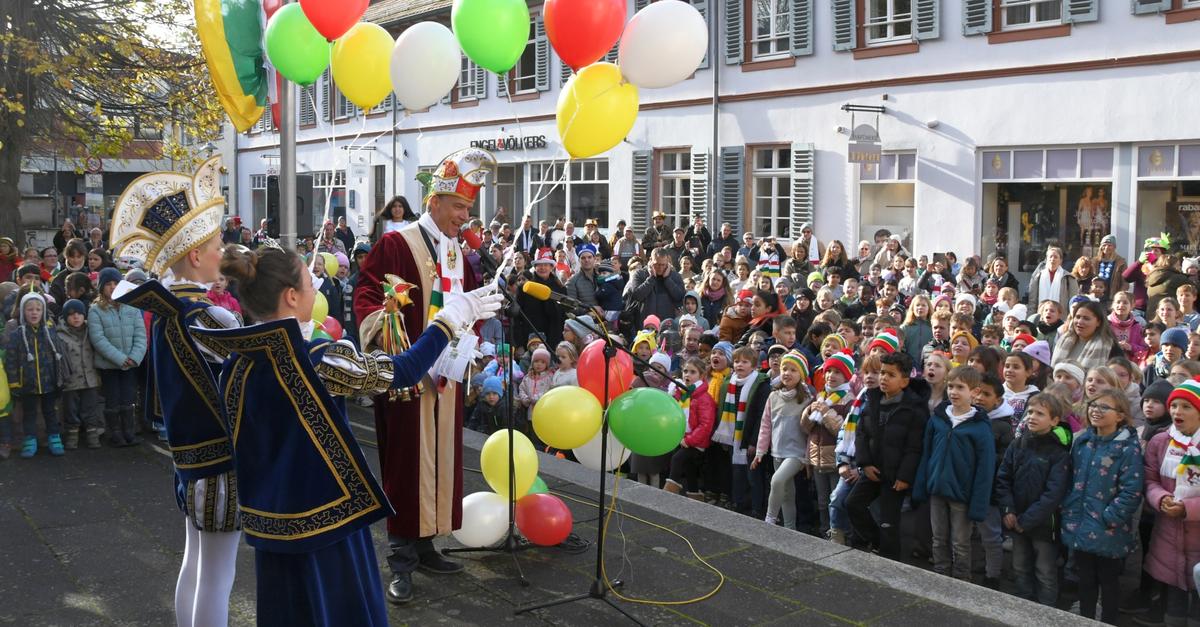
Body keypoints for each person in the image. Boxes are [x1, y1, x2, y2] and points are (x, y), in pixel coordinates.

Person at [194, 244, 497, 627]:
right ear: (291, 296)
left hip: (270, 527)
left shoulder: (236, 364)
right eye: (309, 284)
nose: (315, 291)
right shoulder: (316, 360)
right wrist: (448, 320)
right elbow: (400, 372)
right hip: (327, 526)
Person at [353, 148, 499, 604]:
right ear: (434, 201)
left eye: (469, 210)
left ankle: (427, 543)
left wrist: (475, 333)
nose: (464, 217)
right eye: (459, 207)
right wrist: (386, 322)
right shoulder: (397, 243)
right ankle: (401, 560)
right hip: (407, 371)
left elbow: (460, 305)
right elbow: (365, 296)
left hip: (447, 373)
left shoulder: (456, 251)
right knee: (404, 463)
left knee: (440, 460)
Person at [108, 158, 242, 626]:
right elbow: (251, 370)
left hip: (187, 454)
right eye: (216, 243)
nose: (223, 249)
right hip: (219, 459)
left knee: (196, 563)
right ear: (194, 256)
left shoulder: (169, 307)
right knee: (218, 573)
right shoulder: (207, 316)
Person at [1061, 389, 1144, 624]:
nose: (1096, 411)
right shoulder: (1083, 441)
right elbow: (1069, 478)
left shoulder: (1127, 448)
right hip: (1079, 522)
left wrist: (1109, 517)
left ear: (1120, 415)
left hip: (1108, 528)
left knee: (1108, 581)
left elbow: (1132, 490)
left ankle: (1108, 621)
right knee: (1085, 579)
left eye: (1104, 407)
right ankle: (1086, 619)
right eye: (1093, 406)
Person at [912, 366, 995, 582]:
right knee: (938, 539)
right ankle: (941, 577)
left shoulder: (980, 427)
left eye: (960, 387)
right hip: (937, 489)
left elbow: (985, 470)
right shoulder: (938, 418)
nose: (954, 392)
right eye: (951, 386)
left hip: (962, 495)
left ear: (975, 393)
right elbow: (926, 454)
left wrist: (978, 505)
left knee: (960, 543)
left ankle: (961, 582)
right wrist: (922, 485)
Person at [847, 351, 930, 559]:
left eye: (890, 375)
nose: (883, 378)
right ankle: (874, 541)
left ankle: (891, 560)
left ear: (904, 381)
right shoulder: (872, 398)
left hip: (895, 476)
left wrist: (904, 477)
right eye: (882, 373)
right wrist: (864, 463)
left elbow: (914, 447)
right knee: (852, 503)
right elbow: (862, 433)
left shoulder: (914, 409)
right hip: (872, 470)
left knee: (889, 521)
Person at [993, 392, 1072, 606]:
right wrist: (1008, 510)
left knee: (1045, 571)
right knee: (1019, 566)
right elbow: (1003, 479)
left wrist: (1025, 521)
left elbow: (1053, 494)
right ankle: (1023, 608)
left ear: (1055, 420)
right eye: (1030, 412)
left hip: (1044, 526)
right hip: (1016, 519)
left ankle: (1046, 613)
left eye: (1040, 413)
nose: (1032, 417)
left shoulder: (1059, 453)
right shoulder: (1018, 444)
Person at [1142, 377, 1200, 627]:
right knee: (1173, 597)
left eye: (1186, 407)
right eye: (1174, 405)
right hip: (1168, 532)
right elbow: (1149, 479)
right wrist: (1161, 498)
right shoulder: (1161, 441)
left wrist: (1187, 508)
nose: (1177, 411)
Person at [90, 266, 149, 446]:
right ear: (101, 287)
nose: (112, 287)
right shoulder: (95, 310)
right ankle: (115, 433)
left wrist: (134, 357)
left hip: (130, 364)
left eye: (116, 283)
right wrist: (120, 358)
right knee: (113, 400)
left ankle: (129, 431)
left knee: (128, 399)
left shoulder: (131, 307)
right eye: (108, 284)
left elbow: (141, 334)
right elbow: (98, 339)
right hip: (110, 365)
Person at [753, 351, 811, 530]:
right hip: (777, 451)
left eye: (793, 370)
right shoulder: (773, 396)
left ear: (801, 374)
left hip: (796, 453)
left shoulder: (807, 399)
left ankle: (769, 520)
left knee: (777, 481)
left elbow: (811, 433)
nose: (787, 373)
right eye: (785, 368)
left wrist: (808, 458)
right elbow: (765, 426)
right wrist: (760, 451)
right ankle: (789, 529)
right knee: (786, 493)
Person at [6, 292, 65, 458]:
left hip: (49, 382)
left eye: (38, 309)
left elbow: (57, 356)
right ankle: (30, 441)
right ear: (23, 311)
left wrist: (59, 379)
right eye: (30, 309)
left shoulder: (49, 331)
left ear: (43, 311)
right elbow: (11, 360)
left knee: (50, 412)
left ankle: (54, 438)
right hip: (27, 383)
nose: (34, 312)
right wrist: (14, 383)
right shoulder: (17, 334)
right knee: (29, 414)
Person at [802, 351, 853, 536]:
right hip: (817, 457)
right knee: (822, 500)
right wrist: (809, 411)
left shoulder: (848, 400)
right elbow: (807, 429)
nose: (831, 376)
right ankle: (825, 528)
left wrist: (826, 413)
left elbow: (843, 431)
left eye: (837, 372)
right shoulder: (820, 396)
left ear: (846, 376)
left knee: (836, 499)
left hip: (835, 459)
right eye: (828, 371)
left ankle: (838, 531)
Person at [57, 299, 102, 450]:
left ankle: (92, 434)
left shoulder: (92, 330)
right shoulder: (59, 334)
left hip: (90, 378)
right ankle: (72, 434)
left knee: (90, 407)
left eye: (79, 314)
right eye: (71, 315)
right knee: (71, 409)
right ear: (65, 317)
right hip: (70, 380)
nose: (76, 317)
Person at [624, 247, 685, 326]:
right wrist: (651, 278)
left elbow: (679, 296)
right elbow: (637, 295)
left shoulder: (675, 276)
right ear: (650, 260)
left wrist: (667, 279)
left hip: (667, 324)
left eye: (663, 265)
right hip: (644, 323)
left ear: (667, 262)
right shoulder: (639, 274)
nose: (660, 268)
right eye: (657, 264)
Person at [1027, 246, 1076, 314]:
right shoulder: (1038, 276)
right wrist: (1030, 318)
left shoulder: (1068, 278)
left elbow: (1073, 303)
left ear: (1060, 260)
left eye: (1055, 257)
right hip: (1041, 316)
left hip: (1061, 319)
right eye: (1050, 257)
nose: (1052, 259)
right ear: (1047, 259)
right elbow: (1032, 301)